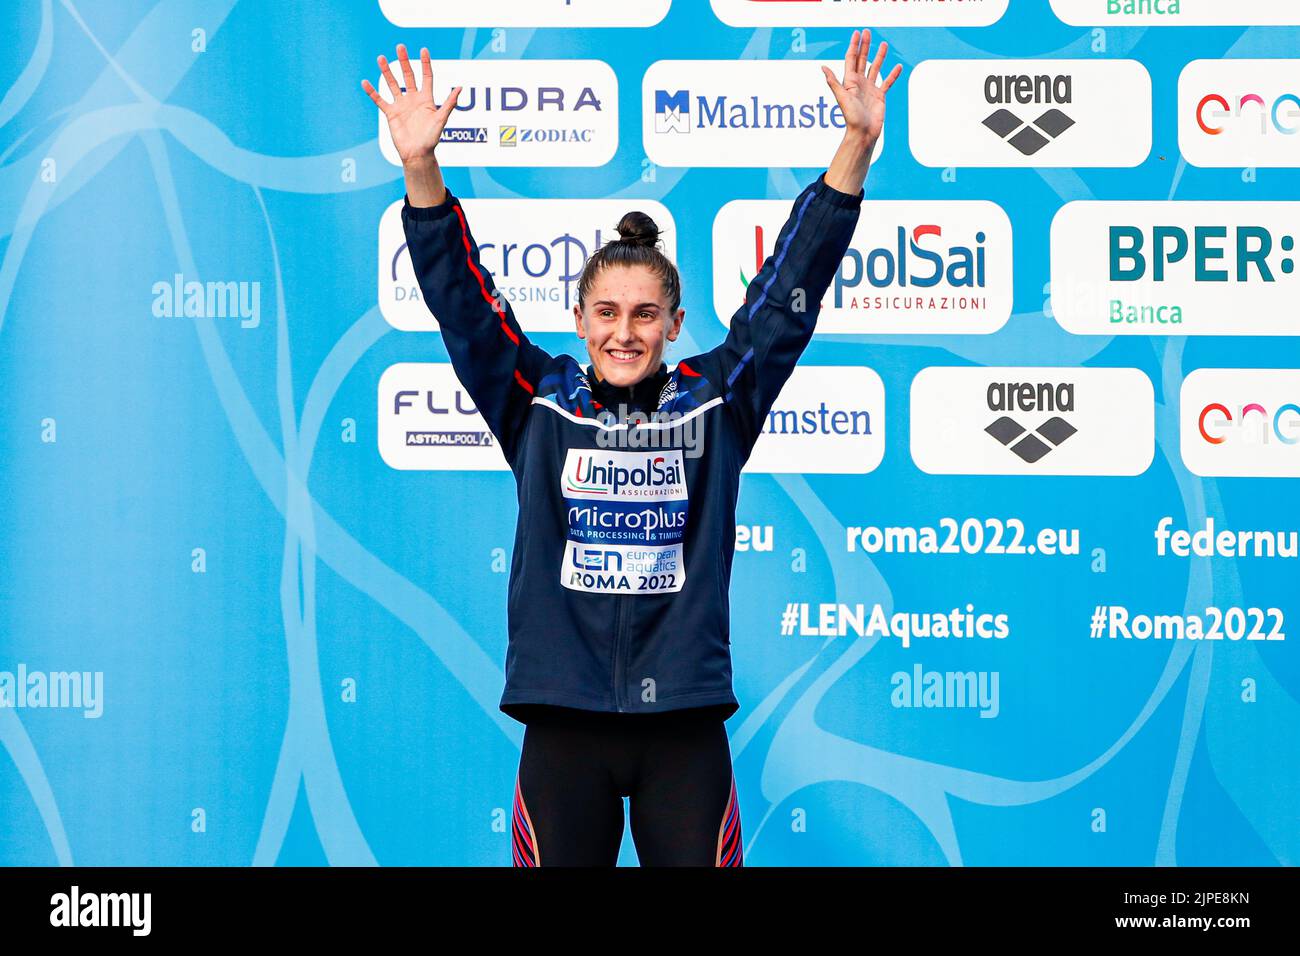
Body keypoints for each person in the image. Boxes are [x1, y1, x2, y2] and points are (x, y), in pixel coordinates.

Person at [362, 32, 901, 866]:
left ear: (675, 325)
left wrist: (855, 150)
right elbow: (463, 304)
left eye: (645, 314)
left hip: (682, 730)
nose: (625, 332)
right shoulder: (537, 402)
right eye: (607, 313)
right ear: (579, 321)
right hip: (563, 727)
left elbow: (786, 296)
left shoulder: (718, 402)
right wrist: (421, 170)